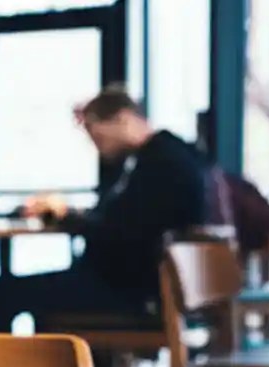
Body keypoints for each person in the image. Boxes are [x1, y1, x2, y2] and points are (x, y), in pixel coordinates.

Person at [17, 86, 210, 319]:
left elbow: (120, 233)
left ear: (123, 119)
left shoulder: (160, 164)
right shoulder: (166, 155)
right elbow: (126, 220)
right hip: (143, 287)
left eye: (96, 135)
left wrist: (67, 216)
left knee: (1, 293)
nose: (96, 146)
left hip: (133, 292)